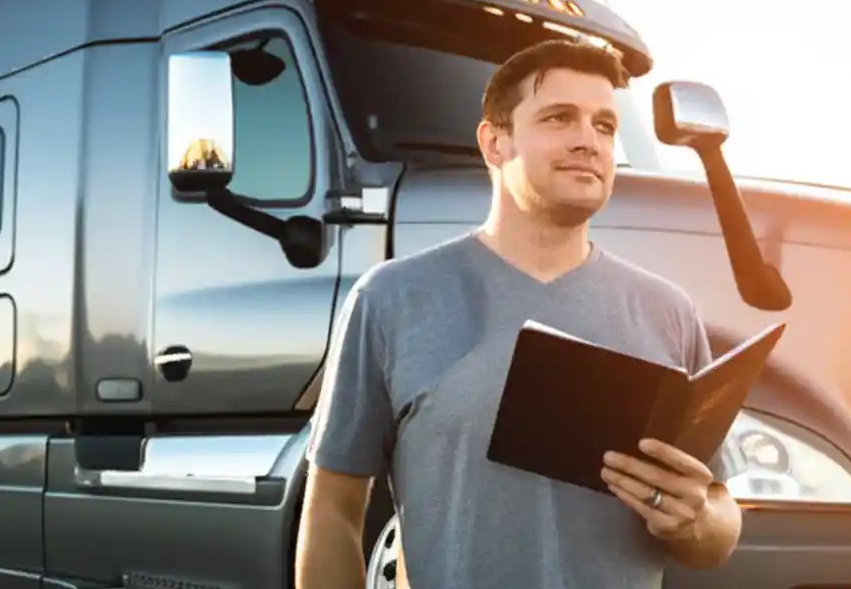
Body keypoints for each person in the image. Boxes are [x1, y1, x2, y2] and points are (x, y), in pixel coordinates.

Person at [294, 38, 743, 588]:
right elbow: (333, 510)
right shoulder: (393, 299)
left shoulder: (667, 311)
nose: (588, 140)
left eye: (604, 126)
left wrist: (696, 521)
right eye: (559, 118)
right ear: (494, 142)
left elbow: (720, 518)